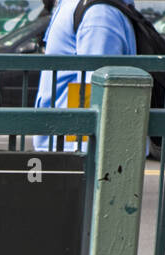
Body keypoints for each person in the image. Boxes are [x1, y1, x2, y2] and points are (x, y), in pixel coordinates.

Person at [33, 0, 137, 151]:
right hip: (68, 142)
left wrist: (84, 149)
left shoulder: (99, 13)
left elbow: (98, 89)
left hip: (78, 147)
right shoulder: (85, 7)